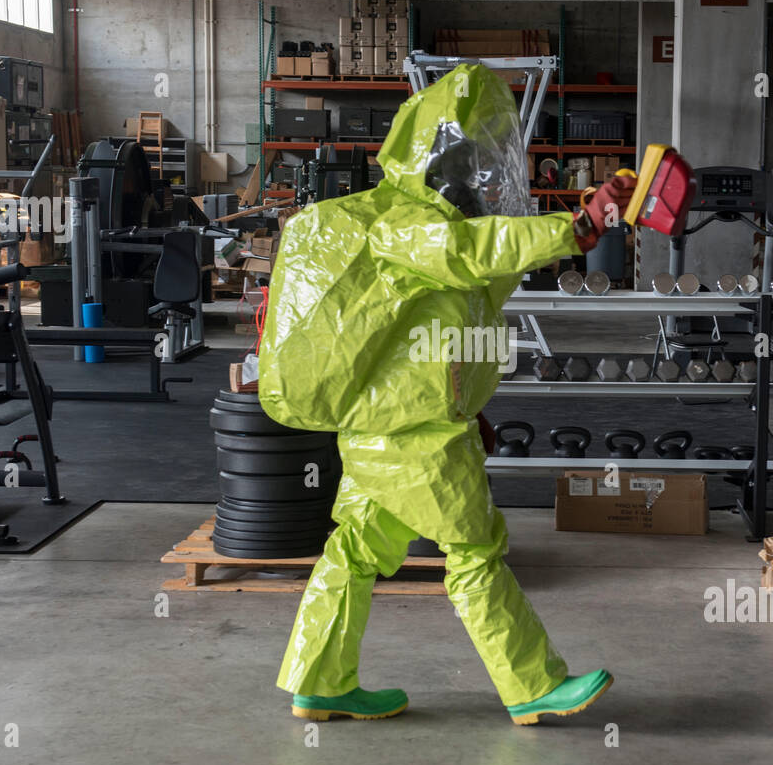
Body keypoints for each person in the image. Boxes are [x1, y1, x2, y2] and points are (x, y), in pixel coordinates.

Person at [258, 62, 636, 725]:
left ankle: (321, 680)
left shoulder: (417, 232)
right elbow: (472, 249)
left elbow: (439, 324)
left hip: (391, 427)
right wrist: (574, 226)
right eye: (474, 171)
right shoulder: (408, 227)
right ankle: (533, 688)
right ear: (439, 167)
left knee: (355, 550)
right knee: (474, 551)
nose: (484, 184)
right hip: (417, 438)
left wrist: (471, 401)